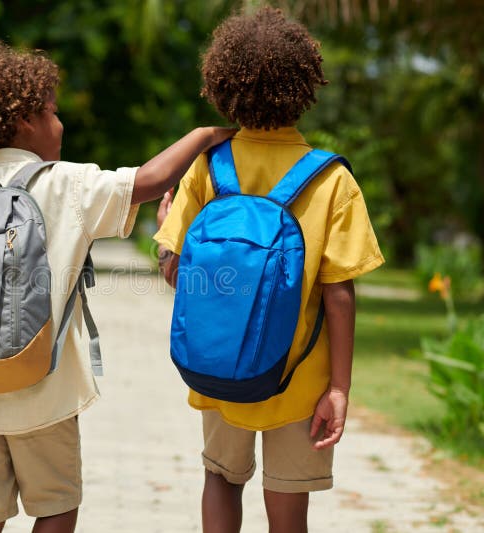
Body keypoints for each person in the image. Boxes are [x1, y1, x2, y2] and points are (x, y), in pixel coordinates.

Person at [0, 41, 233, 533]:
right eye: (53, 112)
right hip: (42, 392)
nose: (60, 124)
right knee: (56, 507)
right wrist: (206, 133)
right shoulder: (67, 185)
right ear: (25, 121)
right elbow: (150, 180)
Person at [153, 7, 384, 533]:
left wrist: (166, 241)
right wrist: (340, 388)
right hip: (297, 377)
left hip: (218, 367)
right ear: (305, 84)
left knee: (220, 479)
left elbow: (175, 271)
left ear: (220, 85)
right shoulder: (330, 179)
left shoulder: (209, 164)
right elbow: (340, 292)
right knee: (287, 506)